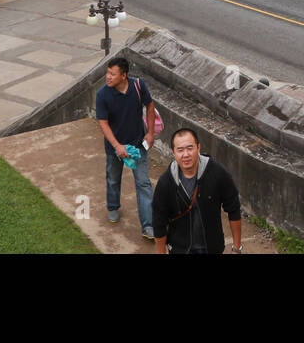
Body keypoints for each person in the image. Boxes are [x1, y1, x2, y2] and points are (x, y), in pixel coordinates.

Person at [152, 127, 243, 255]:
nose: (186, 154)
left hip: (212, 248)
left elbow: (233, 208)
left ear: (198, 148)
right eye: (180, 150)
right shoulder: (166, 183)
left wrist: (236, 248)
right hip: (180, 249)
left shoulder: (217, 173)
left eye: (190, 148)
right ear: (173, 152)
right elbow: (159, 221)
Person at [94, 57, 157, 240]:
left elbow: (150, 106)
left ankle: (148, 225)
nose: (108, 77)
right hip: (115, 147)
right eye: (107, 72)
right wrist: (117, 146)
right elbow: (103, 123)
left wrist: (150, 133)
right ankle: (113, 207)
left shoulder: (138, 86)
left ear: (124, 76)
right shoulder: (102, 95)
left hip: (138, 145)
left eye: (112, 74)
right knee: (113, 179)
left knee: (144, 184)